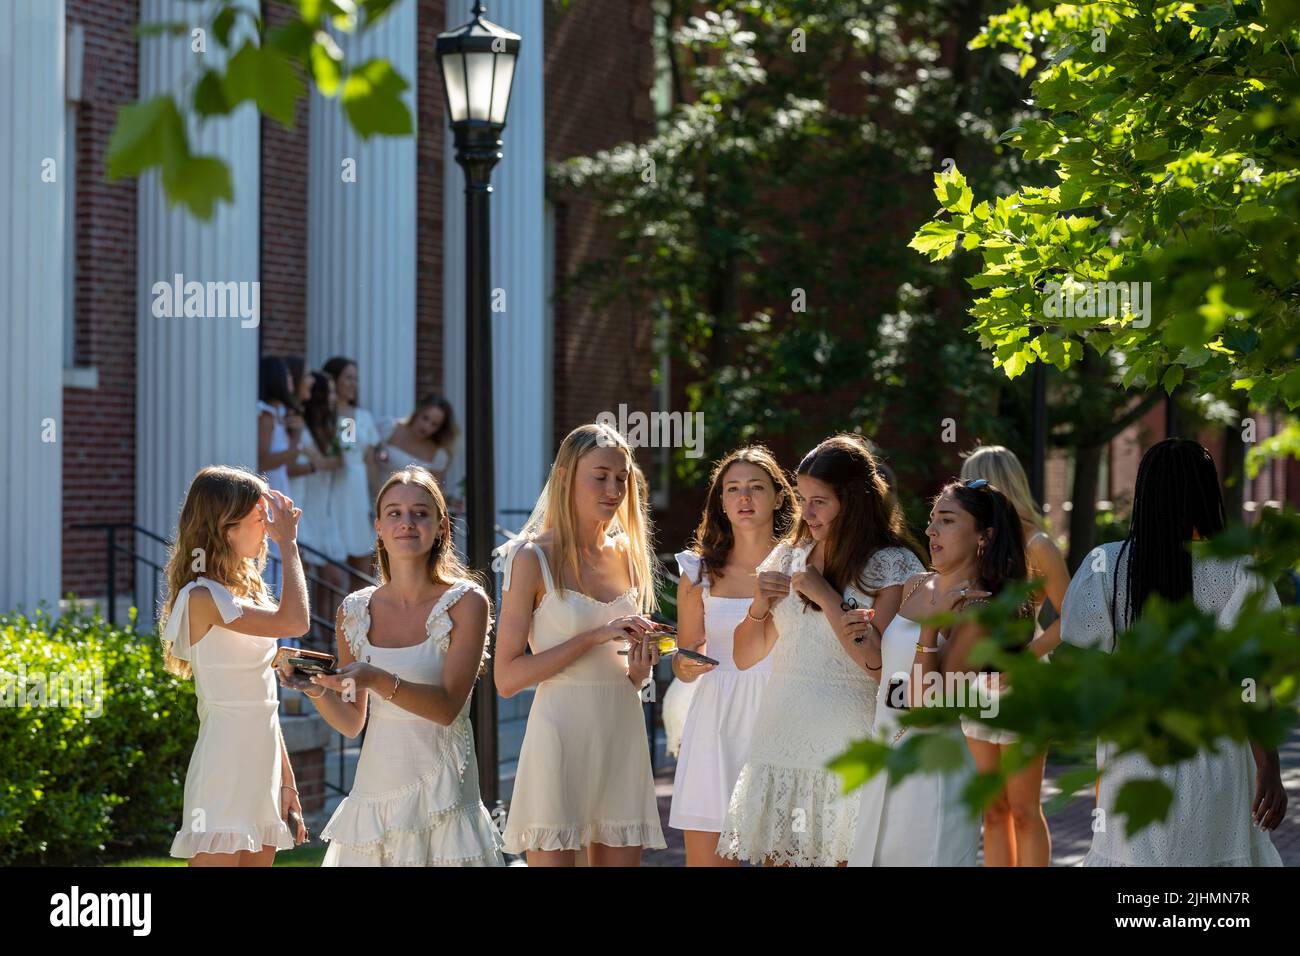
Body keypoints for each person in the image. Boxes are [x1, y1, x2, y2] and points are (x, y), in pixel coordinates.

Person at [1061, 438, 1286, 866]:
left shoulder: (1106, 566)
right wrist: (1268, 765)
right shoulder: (1239, 570)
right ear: (1207, 492)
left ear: (1144, 493)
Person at [718, 433, 927, 866]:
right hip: (781, 736)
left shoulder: (893, 564)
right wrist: (759, 605)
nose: (806, 512)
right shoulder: (788, 555)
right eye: (801, 498)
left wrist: (828, 597)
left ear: (852, 501)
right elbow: (744, 657)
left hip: (848, 740)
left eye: (820, 501)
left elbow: (879, 667)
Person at [288, 466, 504, 866]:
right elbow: (353, 721)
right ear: (378, 527)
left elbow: (446, 708)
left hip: (443, 797)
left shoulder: (467, 602)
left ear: (440, 526)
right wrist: (316, 688)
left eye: (420, 513)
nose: (407, 523)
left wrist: (376, 678)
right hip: (375, 794)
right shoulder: (353, 610)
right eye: (394, 513)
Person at [492, 423, 666, 866]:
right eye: (601, 476)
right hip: (559, 736)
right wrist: (594, 635)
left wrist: (640, 668)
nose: (613, 489)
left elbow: (624, 672)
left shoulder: (629, 554)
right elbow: (507, 678)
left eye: (621, 479)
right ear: (566, 476)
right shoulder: (530, 557)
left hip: (621, 731)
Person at [850, 478, 1032, 865]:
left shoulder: (980, 610)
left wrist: (931, 626)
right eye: (932, 519)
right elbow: (892, 681)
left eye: (947, 520)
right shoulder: (916, 585)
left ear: (984, 536)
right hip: (884, 754)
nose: (931, 530)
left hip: (931, 776)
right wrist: (868, 643)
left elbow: (926, 704)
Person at [160, 467, 310, 866]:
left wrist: (287, 780)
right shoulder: (201, 597)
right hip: (225, 761)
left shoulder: (246, 590)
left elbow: (264, 699)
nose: (269, 528)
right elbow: (295, 622)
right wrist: (289, 545)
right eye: (261, 518)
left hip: (261, 758)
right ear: (226, 528)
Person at [669, 446, 794, 866]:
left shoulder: (802, 565)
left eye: (756, 488)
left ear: (778, 496)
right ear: (720, 501)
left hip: (784, 715)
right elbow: (689, 656)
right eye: (733, 489)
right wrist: (681, 665)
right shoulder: (698, 572)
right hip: (716, 719)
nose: (744, 498)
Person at [959, 444, 1071, 866]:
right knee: (993, 810)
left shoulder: (1038, 544)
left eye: (971, 482)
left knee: (1024, 811)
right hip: (974, 682)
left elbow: (1073, 616)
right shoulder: (970, 539)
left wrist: (1029, 655)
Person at [322, 356, 381, 583]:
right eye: (348, 378)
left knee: (364, 564)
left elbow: (368, 460)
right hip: (332, 490)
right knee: (332, 573)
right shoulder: (323, 416)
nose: (353, 383)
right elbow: (344, 450)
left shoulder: (361, 417)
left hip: (357, 492)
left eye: (355, 379)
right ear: (334, 380)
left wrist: (378, 499)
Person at [374, 394, 460, 507]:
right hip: (372, 498)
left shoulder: (439, 455)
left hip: (406, 511)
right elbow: (363, 455)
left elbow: (434, 492)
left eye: (434, 424)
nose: (426, 426)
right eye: (425, 418)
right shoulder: (389, 428)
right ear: (417, 412)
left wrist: (451, 501)